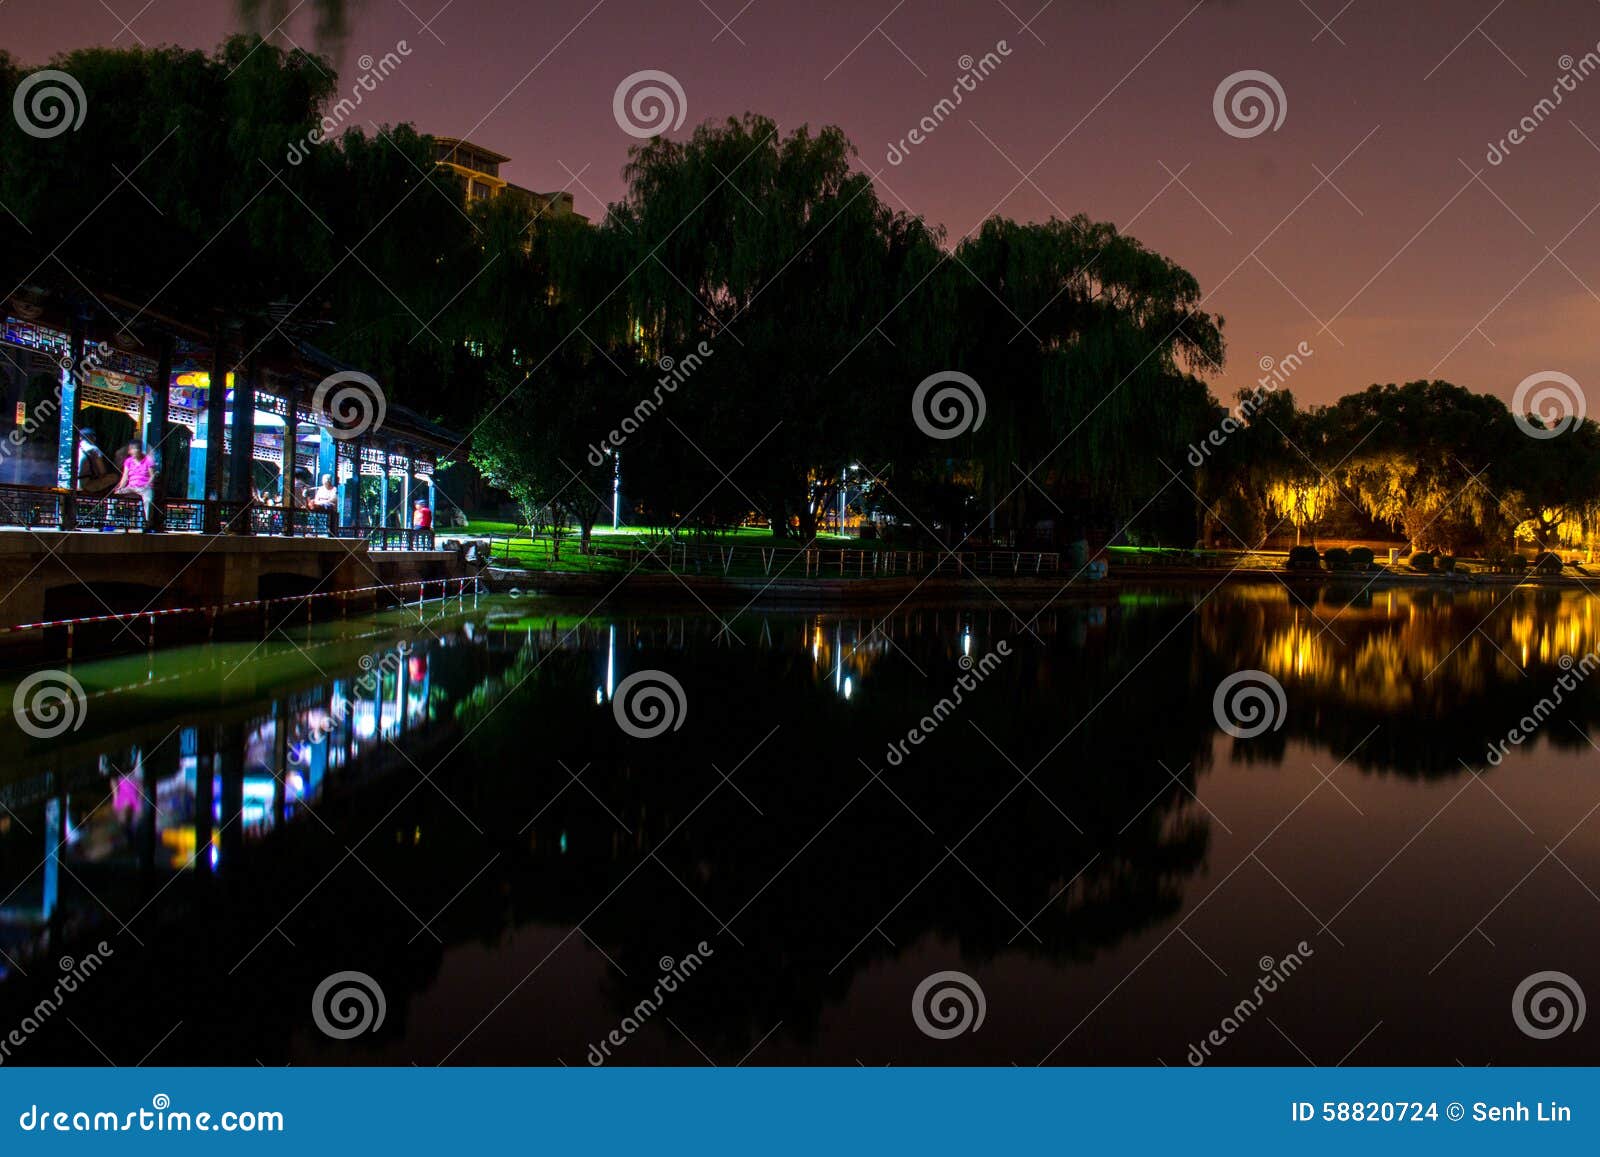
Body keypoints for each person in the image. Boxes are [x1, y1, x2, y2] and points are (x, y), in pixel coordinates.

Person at [112, 441, 157, 527]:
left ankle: (147, 523)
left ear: (140, 450)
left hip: (144, 487)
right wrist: (120, 488)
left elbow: (152, 476)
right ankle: (110, 520)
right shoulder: (128, 461)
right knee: (114, 496)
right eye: (132, 450)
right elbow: (125, 477)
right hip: (131, 487)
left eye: (136, 449)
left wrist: (147, 485)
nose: (134, 451)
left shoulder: (148, 460)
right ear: (129, 451)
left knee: (148, 500)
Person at [76, 427, 118, 496]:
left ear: (80, 438)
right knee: (115, 477)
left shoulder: (75, 448)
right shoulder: (94, 449)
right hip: (85, 485)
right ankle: (107, 502)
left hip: (73, 484)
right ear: (93, 438)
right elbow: (102, 472)